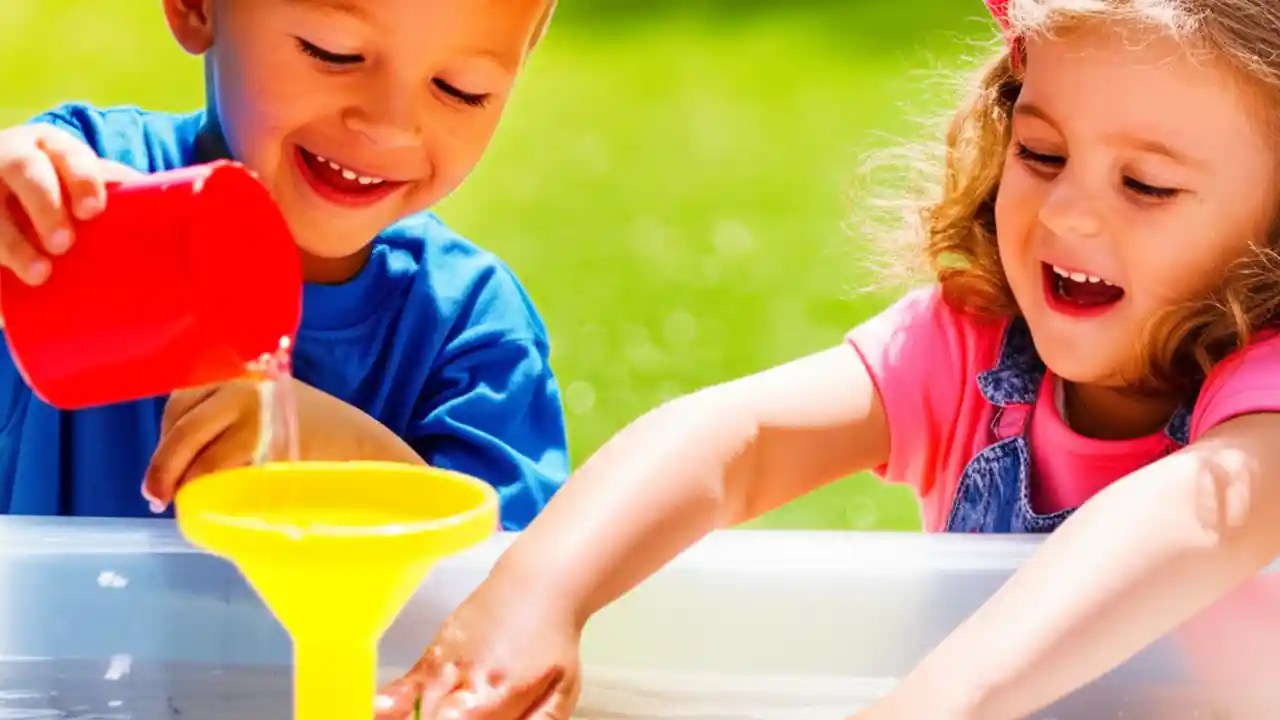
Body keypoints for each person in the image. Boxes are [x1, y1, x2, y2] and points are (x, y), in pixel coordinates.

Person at [375, 0, 1280, 717]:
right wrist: (538, 592)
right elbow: (738, 439)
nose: (1067, 215)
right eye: (1041, 153)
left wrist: (936, 702)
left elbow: (1205, 514)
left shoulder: (1260, 408)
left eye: (1147, 185)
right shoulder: (968, 355)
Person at [0, 0, 567, 529]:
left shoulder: (469, 332)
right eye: (333, 53)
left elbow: (505, 596)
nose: (389, 124)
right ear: (198, 7)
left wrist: (356, 463)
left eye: (459, 90)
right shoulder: (80, 199)